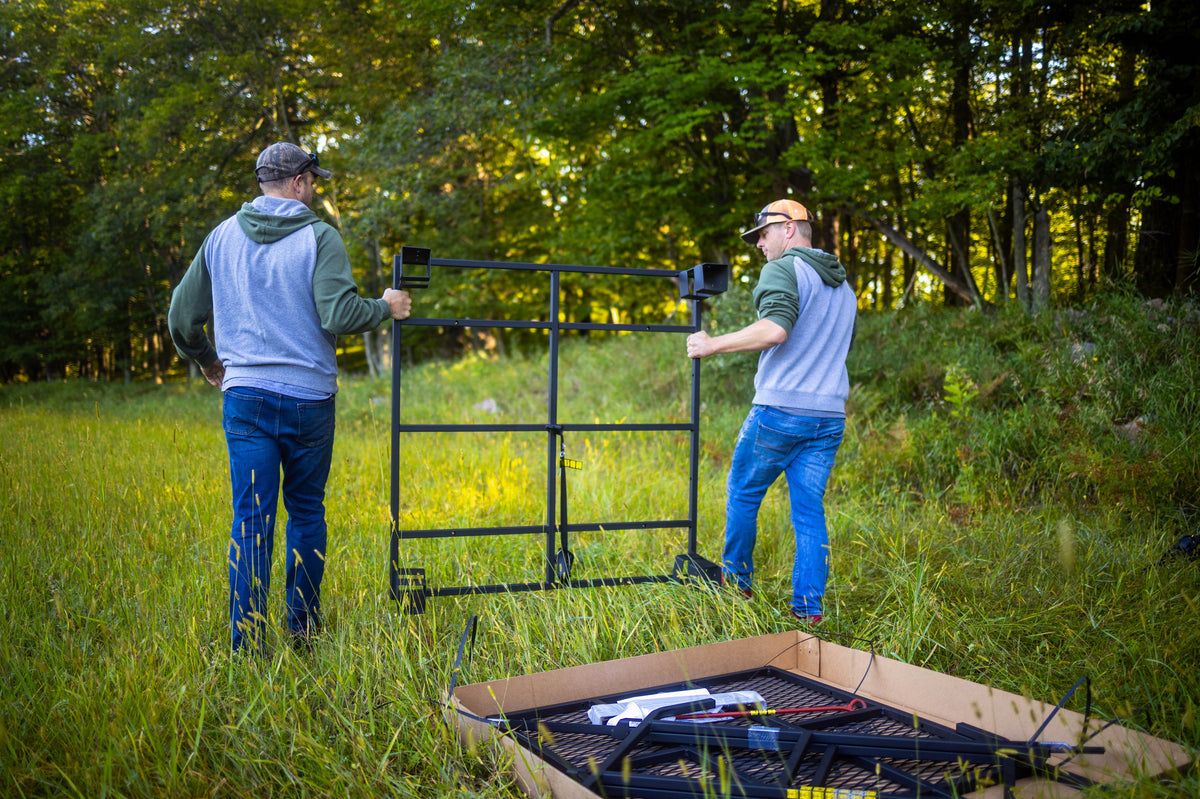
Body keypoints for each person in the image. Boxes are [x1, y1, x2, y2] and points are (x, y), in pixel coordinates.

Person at [168, 141, 412, 653]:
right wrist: (385, 307)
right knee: (305, 512)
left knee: (251, 520)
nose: (316, 190)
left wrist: (210, 361)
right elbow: (339, 316)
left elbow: (180, 319)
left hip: (246, 399)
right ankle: (302, 631)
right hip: (308, 402)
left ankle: (248, 644)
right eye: (313, 181)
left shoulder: (220, 237)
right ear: (298, 182)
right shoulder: (319, 237)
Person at [686, 199, 856, 626]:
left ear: (790, 229)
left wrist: (711, 344)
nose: (759, 244)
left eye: (763, 234)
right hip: (829, 416)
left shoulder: (785, 269)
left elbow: (775, 329)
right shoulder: (843, 286)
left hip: (781, 409)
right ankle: (808, 611)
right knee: (809, 512)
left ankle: (736, 584)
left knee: (743, 491)